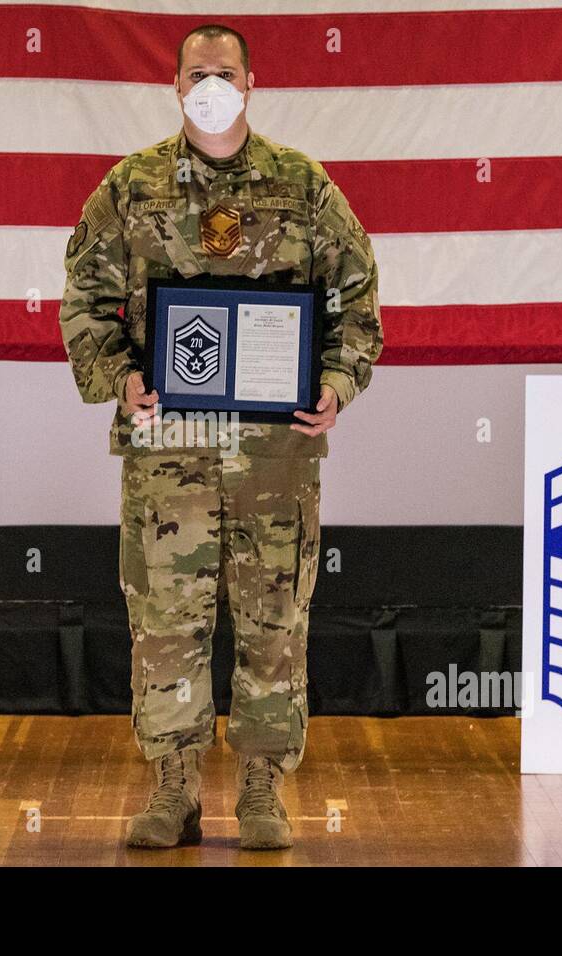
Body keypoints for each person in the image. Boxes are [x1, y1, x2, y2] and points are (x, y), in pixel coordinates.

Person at [59, 23, 382, 850]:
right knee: (165, 621)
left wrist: (337, 386)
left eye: (225, 72)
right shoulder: (129, 190)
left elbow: (358, 305)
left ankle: (263, 787)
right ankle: (174, 784)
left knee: (276, 618)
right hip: (169, 453)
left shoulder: (303, 187)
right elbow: (86, 306)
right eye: (197, 73)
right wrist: (121, 379)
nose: (212, 84)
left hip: (275, 458)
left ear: (251, 81)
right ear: (175, 86)